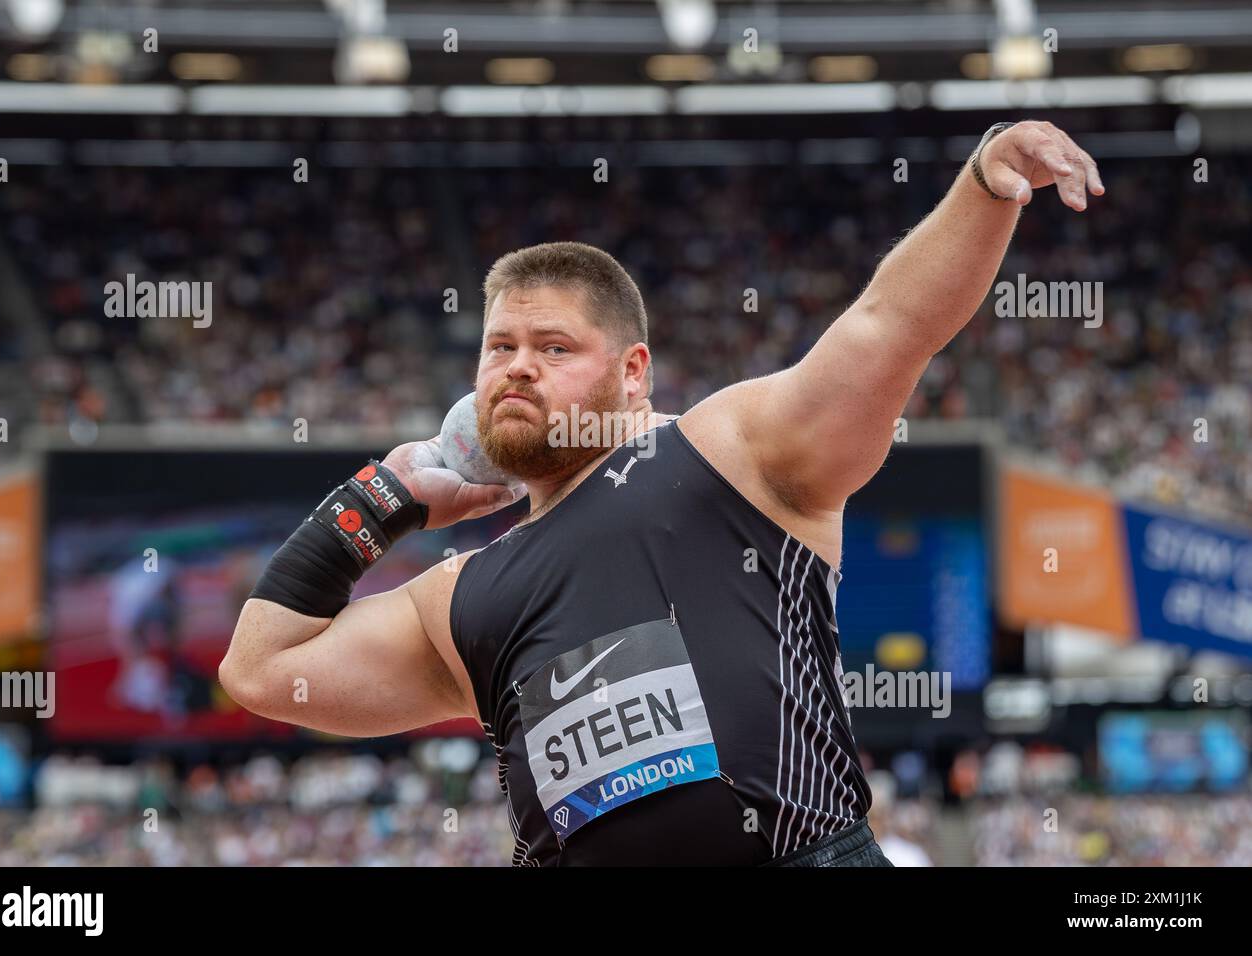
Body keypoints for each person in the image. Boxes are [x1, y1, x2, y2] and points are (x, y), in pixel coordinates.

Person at [221, 120, 1103, 866]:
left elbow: (888, 325)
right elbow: (260, 671)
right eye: (499, 348)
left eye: (555, 348)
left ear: (635, 372)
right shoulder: (458, 597)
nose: (518, 365)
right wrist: (384, 498)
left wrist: (986, 185)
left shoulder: (729, 450)